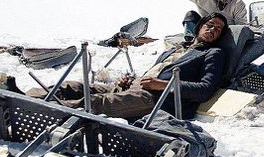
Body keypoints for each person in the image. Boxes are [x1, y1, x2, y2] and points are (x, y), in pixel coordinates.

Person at [19, 13, 228, 120]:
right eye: (209, 25)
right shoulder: (177, 48)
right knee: (71, 87)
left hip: (157, 100)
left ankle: (31, 110)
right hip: (135, 88)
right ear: (200, 27)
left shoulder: (213, 53)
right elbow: (155, 73)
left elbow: (204, 90)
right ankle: (20, 97)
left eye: (217, 29)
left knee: (95, 102)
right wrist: (133, 80)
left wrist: (162, 85)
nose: (212, 30)